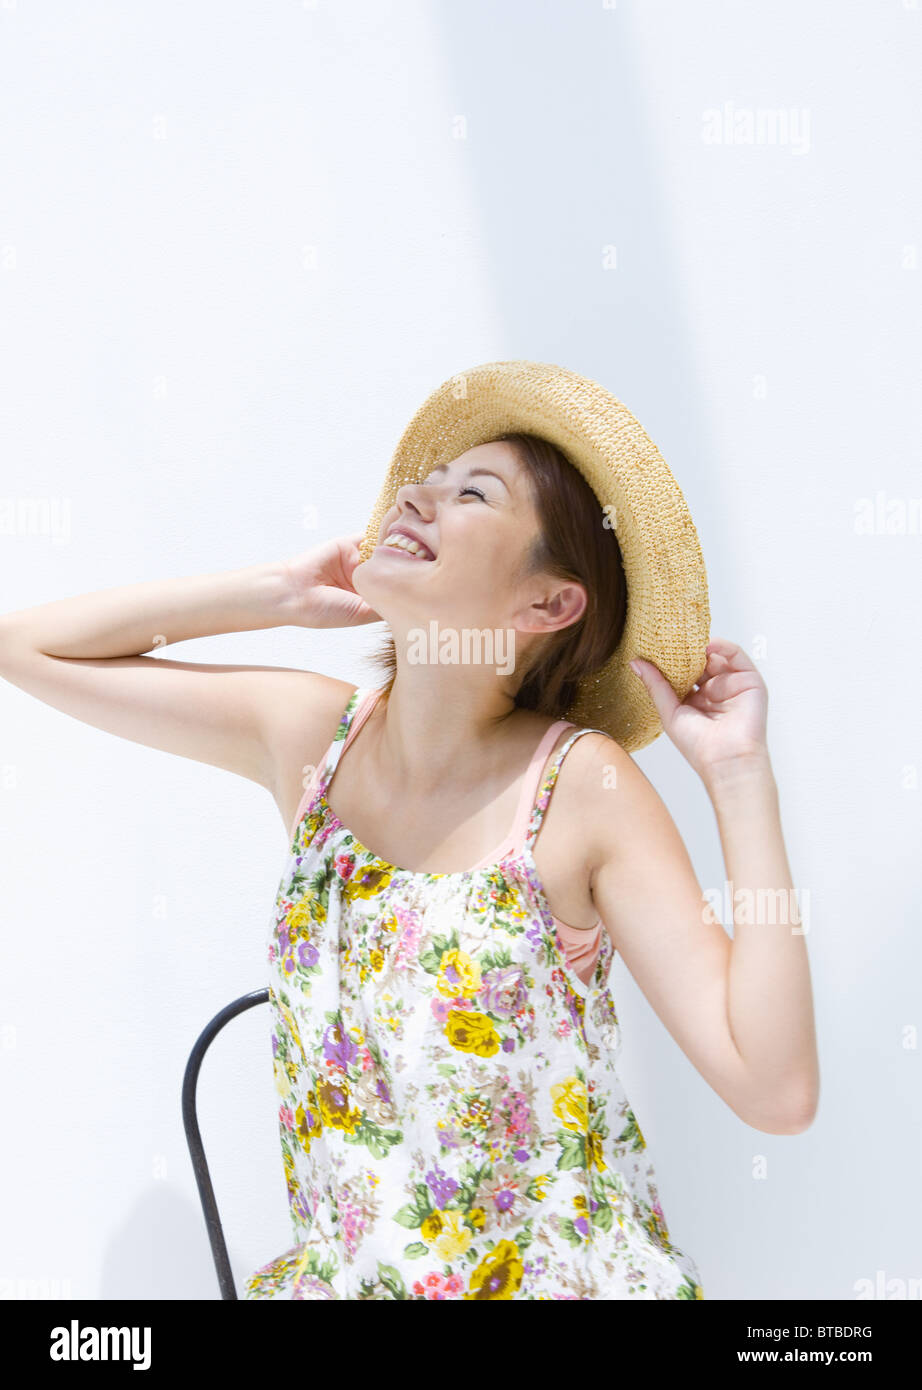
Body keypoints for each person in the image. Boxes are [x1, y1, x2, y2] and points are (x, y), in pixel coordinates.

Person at [0, 372, 819, 1300]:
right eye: (424, 480)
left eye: (473, 493)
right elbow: (25, 648)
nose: (417, 495)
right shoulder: (313, 740)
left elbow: (775, 1089)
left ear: (549, 605)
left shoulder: (578, 786)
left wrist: (739, 778)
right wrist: (273, 591)